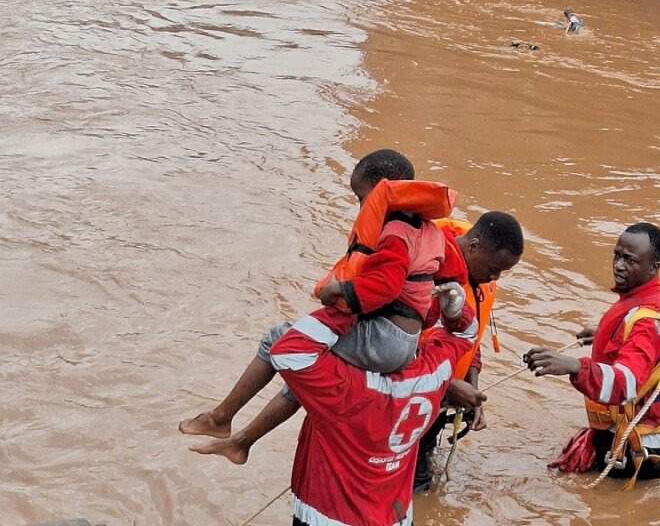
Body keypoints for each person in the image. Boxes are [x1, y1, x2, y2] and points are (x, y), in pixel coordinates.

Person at [180, 149, 453, 462]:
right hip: (400, 341)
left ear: (382, 190)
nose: (362, 207)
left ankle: (220, 418)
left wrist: (340, 290)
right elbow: (445, 279)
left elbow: (385, 286)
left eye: (362, 197)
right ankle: (241, 442)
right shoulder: (427, 229)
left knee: (278, 340)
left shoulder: (394, 232)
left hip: (383, 340)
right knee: (305, 372)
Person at [271, 282, 485, 526]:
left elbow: (286, 351)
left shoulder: (345, 388)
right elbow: (464, 334)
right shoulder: (433, 376)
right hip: (395, 518)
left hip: (327, 517)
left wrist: (351, 307)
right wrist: (455, 309)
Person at [524, 223, 660, 487]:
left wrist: (574, 367)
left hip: (632, 451)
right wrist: (606, 336)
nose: (619, 266)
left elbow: (627, 382)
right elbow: (649, 349)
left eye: (630, 260)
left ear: (653, 268)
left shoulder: (647, 322)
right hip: (651, 436)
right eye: (617, 255)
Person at [412, 213, 524, 492]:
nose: (495, 277)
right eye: (495, 269)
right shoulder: (426, 274)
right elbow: (395, 351)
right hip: (407, 405)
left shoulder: (478, 277)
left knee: (423, 476)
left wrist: (473, 392)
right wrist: (449, 386)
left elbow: (471, 341)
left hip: (440, 401)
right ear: (473, 247)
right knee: (415, 486)